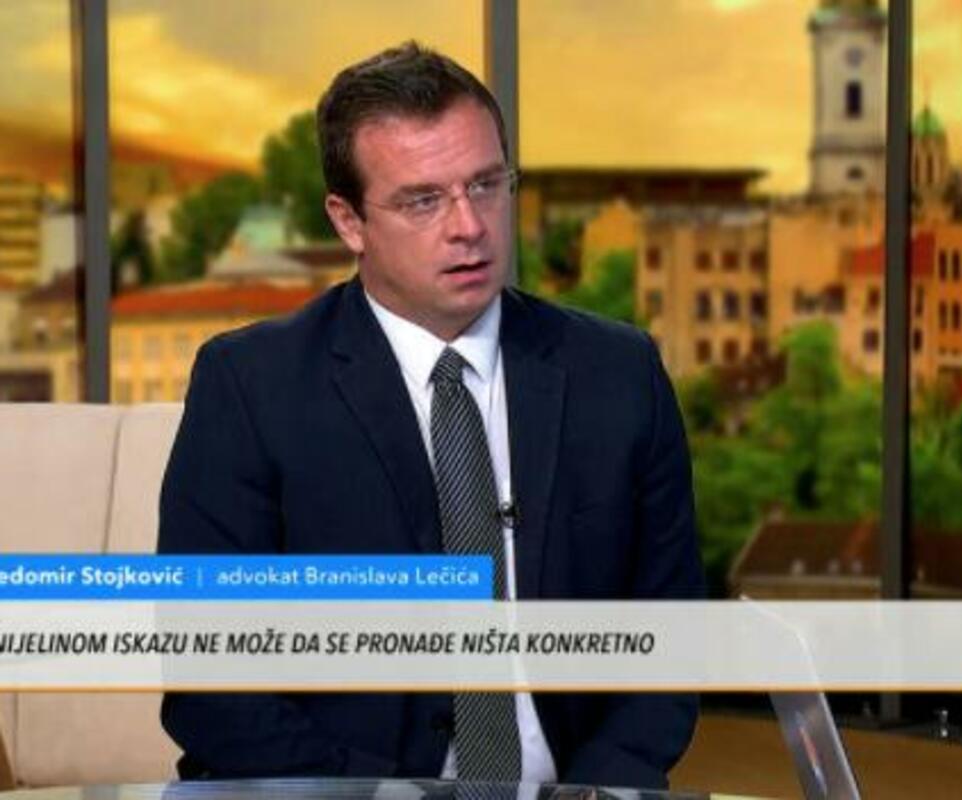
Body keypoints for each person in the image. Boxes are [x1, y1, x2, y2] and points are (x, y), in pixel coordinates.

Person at [157, 42, 704, 790]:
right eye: (423, 201)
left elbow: (671, 641)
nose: (468, 225)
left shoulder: (619, 374)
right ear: (349, 221)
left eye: (485, 185)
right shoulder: (252, 386)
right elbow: (213, 684)